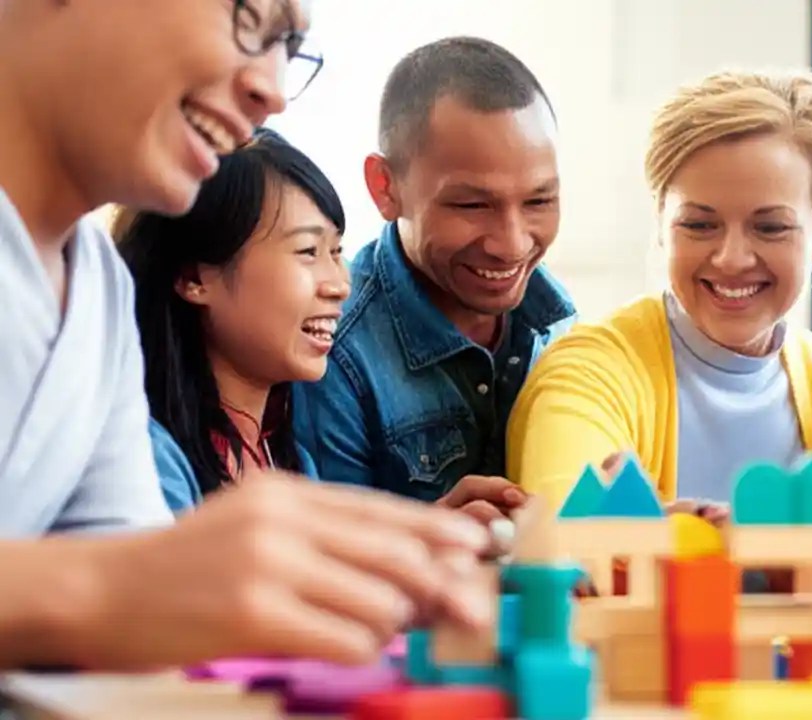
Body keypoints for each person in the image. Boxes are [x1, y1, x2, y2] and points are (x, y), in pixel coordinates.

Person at [0, 0, 489, 669]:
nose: (273, 92)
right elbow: (124, 591)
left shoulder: (97, 291)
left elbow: (127, 645)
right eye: (247, 18)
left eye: (287, 47)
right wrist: (117, 586)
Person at [506, 69, 812, 510]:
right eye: (699, 224)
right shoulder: (585, 376)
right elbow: (568, 539)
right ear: (661, 224)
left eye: (770, 227)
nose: (732, 258)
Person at [294, 37, 574, 522]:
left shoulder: (557, 325)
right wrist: (432, 532)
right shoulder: (334, 349)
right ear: (386, 188)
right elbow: (329, 567)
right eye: (471, 205)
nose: (511, 244)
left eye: (538, 202)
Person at [116, 129, 348, 512]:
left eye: (337, 251)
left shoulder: (288, 458)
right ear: (194, 277)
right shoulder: (147, 464)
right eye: (308, 251)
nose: (339, 284)